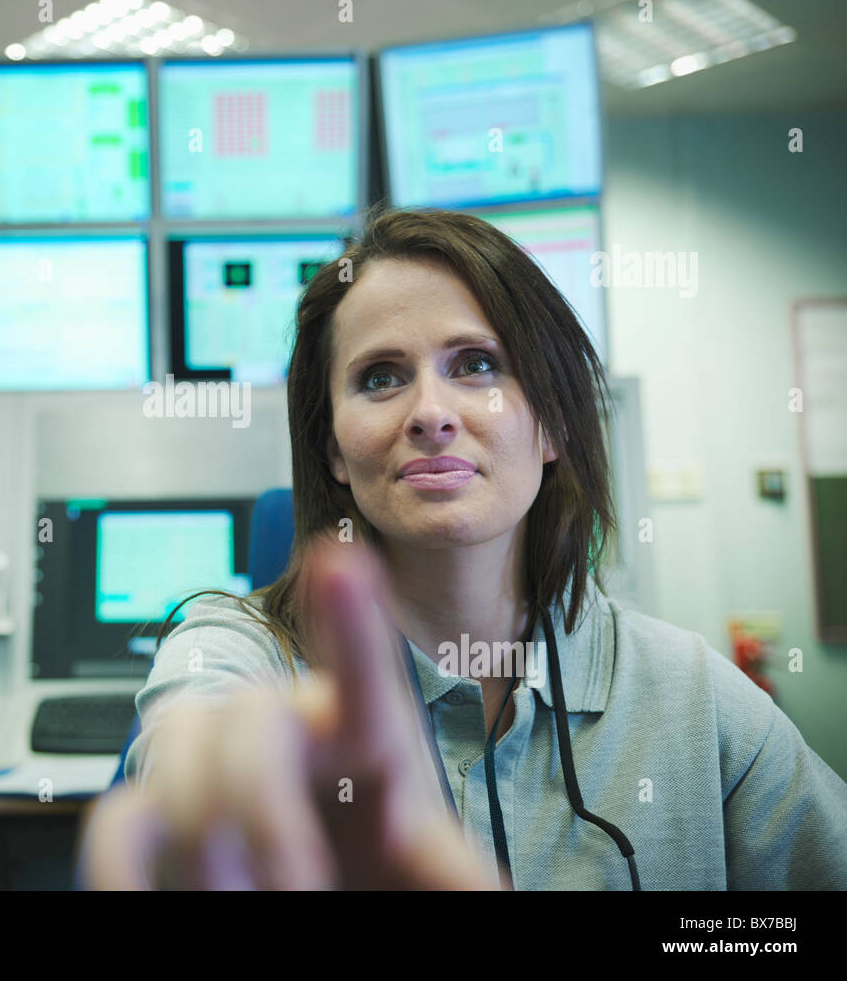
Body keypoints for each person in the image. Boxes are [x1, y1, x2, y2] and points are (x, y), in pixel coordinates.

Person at [80, 208, 847, 891]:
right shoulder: (239, 653)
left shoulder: (691, 698)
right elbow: (195, 731)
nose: (431, 413)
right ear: (334, 449)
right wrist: (212, 792)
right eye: (381, 377)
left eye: (476, 364)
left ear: (553, 422)